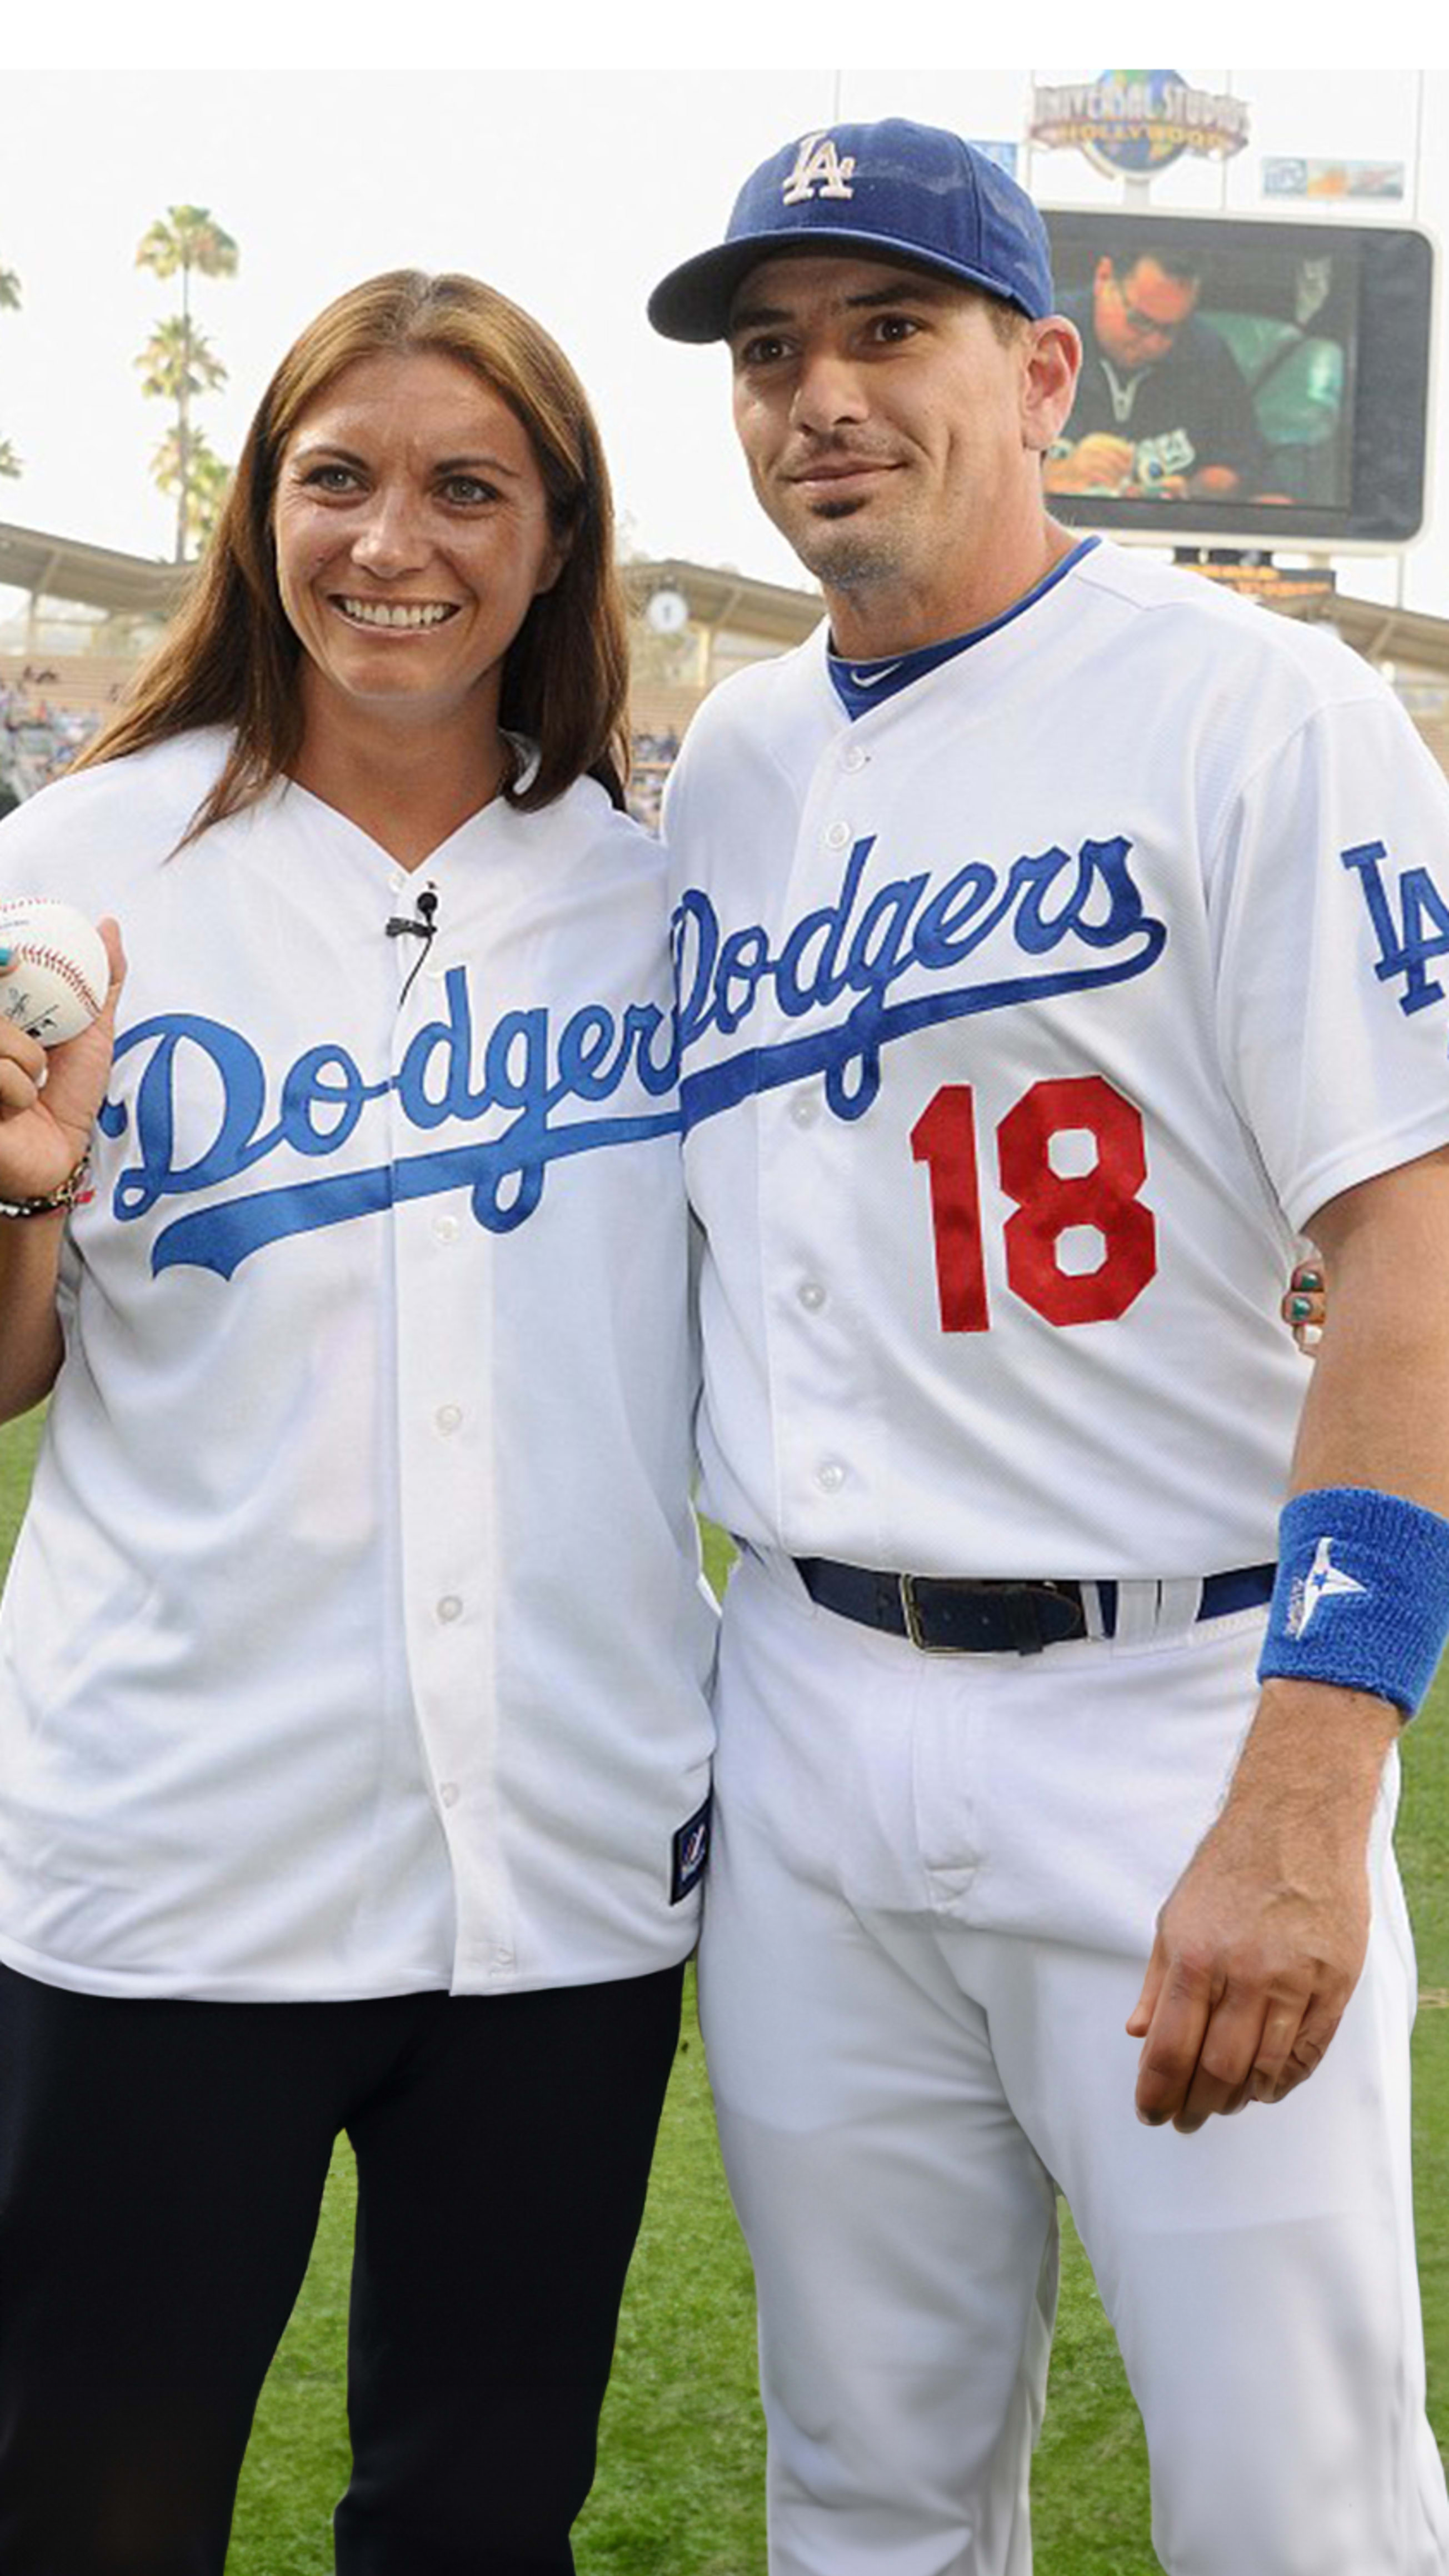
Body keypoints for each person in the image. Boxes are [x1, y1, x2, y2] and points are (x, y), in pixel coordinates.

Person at [647, 116, 1449, 2574]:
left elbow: (1411, 1248)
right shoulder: (738, 763)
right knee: (864, 2484)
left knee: (1287, 2501)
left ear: (1043, 368)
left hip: (1166, 1705)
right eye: (769, 352)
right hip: (796, 1698)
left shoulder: (1256, 704)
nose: (818, 397)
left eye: (887, 329)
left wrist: (1308, 1790)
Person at [0, 269, 716, 2576]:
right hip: (170, 1853)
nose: (393, 538)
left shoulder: (664, 897)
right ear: (259, 512)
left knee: (484, 2510)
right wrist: (17, 1189)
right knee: (91, 2504)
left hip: (568, 1863)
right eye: (339, 477)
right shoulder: (73, 874)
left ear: (555, 534)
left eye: (466, 485)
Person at [1045, 243, 1264, 501]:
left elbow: (1242, 465)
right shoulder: (1042, 338)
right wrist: (1055, 475)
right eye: (1140, 321)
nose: (1154, 343)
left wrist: (1192, 491)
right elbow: (988, 471)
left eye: (1171, 329)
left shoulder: (1206, 352)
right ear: (1104, 278)